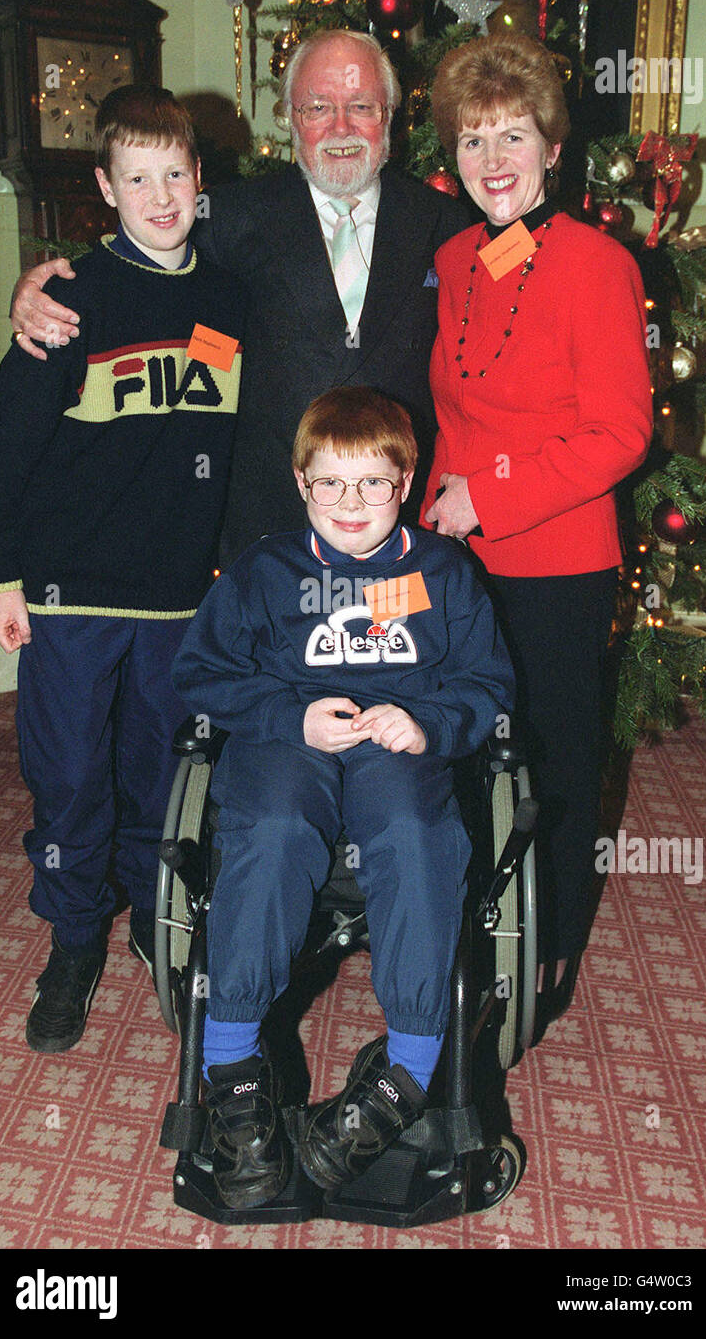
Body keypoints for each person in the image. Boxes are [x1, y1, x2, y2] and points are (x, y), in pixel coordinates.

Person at [171, 386, 515, 1208]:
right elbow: (200, 674)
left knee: (415, 832)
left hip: (397, 745)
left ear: (406, 484)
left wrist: (427, 720)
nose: (352, 503)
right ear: (300, 483)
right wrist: (290, 715)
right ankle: (233, 1072)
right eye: (331, 483)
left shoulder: (443, 571)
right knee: (274, 826)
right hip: (286, 742)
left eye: (373, 484)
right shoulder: (264, 571)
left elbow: (487, 684)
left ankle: (405, 1071)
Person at [0, 85, 244, 1053]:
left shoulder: (225, 298)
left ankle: (154, 916)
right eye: (137, 177)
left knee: (162, 769)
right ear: (105, 186)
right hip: (69, 589)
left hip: (176, 595)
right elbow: (11, 443)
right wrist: (2, 571)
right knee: (72, 772)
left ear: (197, 177)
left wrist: (219, 563)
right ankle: (75, 937)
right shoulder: (68, 300)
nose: (160, 194)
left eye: (174, 173)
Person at [8, 31, 468, 564]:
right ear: (293, 118)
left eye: (360, 106)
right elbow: (137, 269)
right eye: (319, 107)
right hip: (262, 537)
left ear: (389, 116)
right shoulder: (226, 217)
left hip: (404, 533)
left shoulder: (446, 223)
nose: (340, 128)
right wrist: (43, 291)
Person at [423, 35, 653, 995]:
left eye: (512, 136)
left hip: (558, 561)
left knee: (552, 765)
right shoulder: (452, 258)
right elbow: (452, 408)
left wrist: (492, 496)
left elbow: (620, 433)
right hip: (462, 559)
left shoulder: (598, 264)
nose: (493, 162)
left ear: (553, 147)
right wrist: (430, 522)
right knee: (469, 749)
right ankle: (481, 926)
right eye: (474, 141)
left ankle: (545, 952)